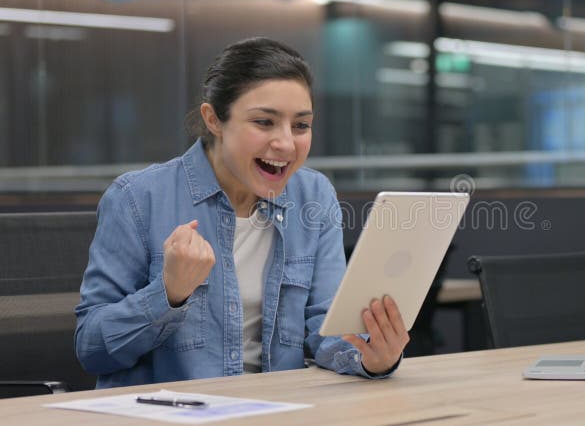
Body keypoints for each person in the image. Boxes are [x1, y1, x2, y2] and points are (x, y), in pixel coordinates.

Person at [75, 37, 408, 388]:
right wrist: (169, 293)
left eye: (300, 125)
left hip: (280, 409)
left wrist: (368, 357)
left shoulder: (314, 196)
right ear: (214, 120)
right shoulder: (137, 198)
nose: (286, 143)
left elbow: (326, 329)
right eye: (264, 122)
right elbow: (91, 348)